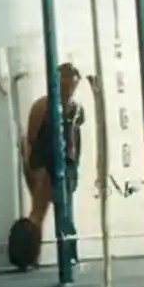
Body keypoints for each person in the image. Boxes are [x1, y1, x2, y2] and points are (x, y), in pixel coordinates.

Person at [22, 63, 86, 241]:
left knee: (66, 215)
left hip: (66, 166)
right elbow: (30, 142)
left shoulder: (76, 110)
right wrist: (32, 172)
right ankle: (31, 253)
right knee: (38, 214)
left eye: (73, 83)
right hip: (43, 166)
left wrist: (74, 167)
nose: (70, 87)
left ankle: (68, 255)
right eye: (66, 82)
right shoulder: (41, 108)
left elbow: (76, 141)